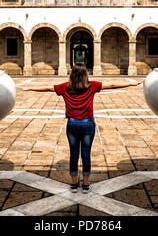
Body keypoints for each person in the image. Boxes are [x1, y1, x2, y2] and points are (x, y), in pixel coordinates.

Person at [19, 63, 142, 193]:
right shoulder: (92, 86)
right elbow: (111, 85)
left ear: (72, 74)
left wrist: (29, 89)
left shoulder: (65, 87)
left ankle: (73, 184)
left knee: (74, 153)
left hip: (72, 124)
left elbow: (48, 88)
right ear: (85, 74)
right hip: (88, 124)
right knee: (86, 154)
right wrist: (132, 84)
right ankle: (85, 185)